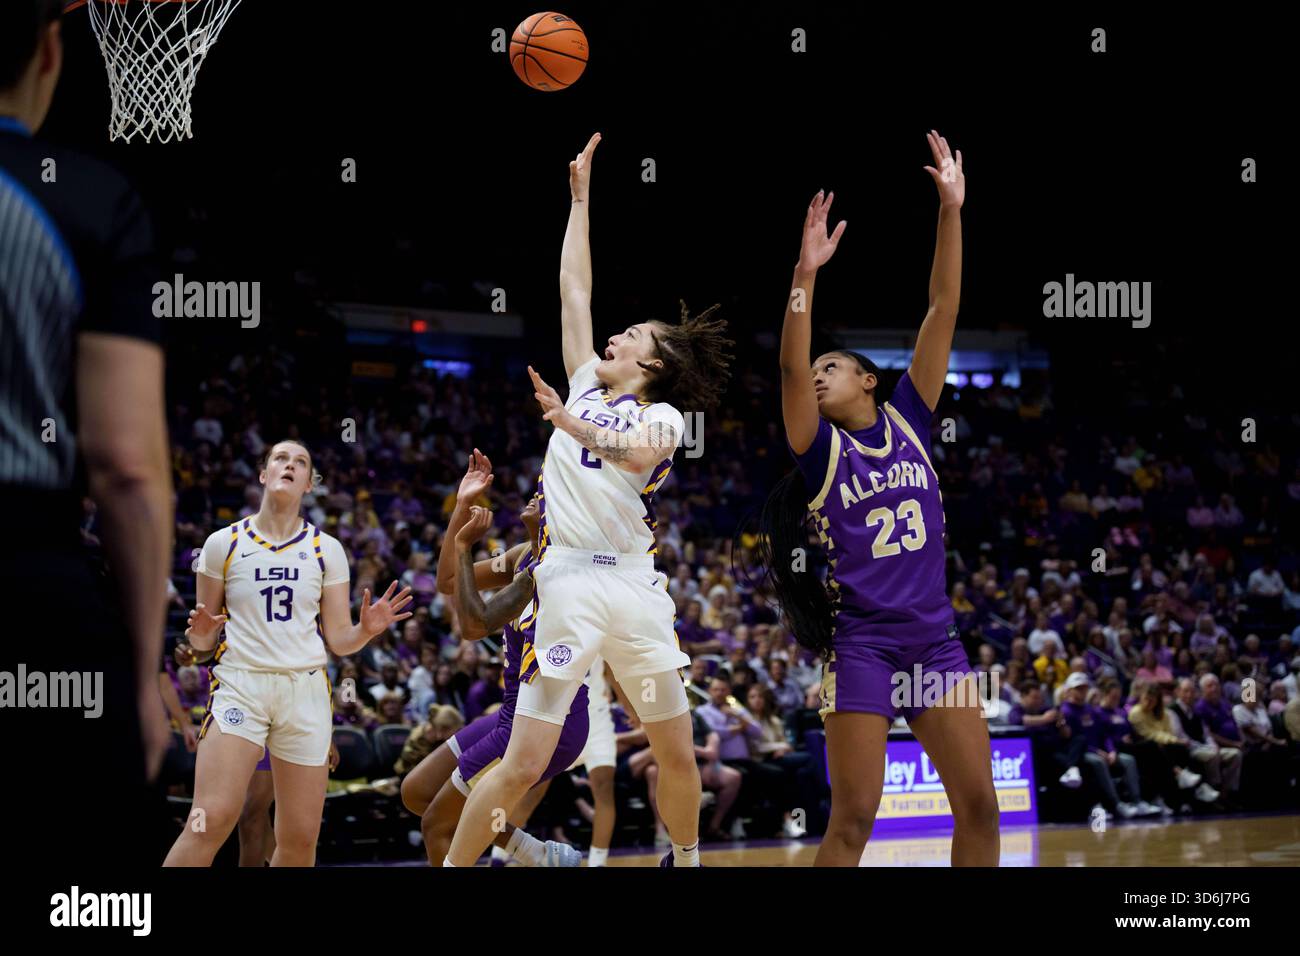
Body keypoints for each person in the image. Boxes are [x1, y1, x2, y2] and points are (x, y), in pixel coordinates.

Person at [447, 133, 735, 869]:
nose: (613, 335)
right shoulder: (582, 382)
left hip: (634, 584)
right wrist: (579, 200)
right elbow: (574, 288)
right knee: (519, 761)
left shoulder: (664, 417)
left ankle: (687, 858)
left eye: (631, 334)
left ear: (656, 362)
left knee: (675, 750)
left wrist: (569, 423)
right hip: (568, 577)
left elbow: (636, 455)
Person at [755, 132, 997, 867]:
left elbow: (944, 305)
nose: (820, 375)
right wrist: (804, 273)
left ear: (869, 379)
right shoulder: (822, 449)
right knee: (855, 818)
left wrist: (951, 211)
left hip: (935, 643)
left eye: (836, 366)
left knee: (981, 807)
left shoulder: (912, 419)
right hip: (864, 646)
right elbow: (790, 369)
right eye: (818, 369)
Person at [1, 0, 175, 863]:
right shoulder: (89, 199)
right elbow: (126, 467)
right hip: (27, 577)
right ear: (49, 49)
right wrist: (144, 679)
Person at [163, 440, 413, 866]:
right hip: (240, 684)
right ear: (264, 474)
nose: (290, 465)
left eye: (301, 462)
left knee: (298, 842)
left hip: (305, 691)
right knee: (211, 818)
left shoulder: (326, 549)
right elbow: (202, 650)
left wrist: (366, 631)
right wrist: (202, 636)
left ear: (309, 485)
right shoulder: (222, 544)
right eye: (281, 458)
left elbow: (339, 640)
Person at [399, 454, 585, 867]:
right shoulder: (522, 555)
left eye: (549, 490)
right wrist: (462, 505)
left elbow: (472, 624)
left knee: (437, 826)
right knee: (416, 791)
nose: (538, 492)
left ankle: (529, 852)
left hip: (550, 721)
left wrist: (466, 544)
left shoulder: (553, 568)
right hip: (513, 711)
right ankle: (533, 852)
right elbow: (449, 579)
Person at [1169, 677, 1242, 805]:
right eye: (1186, 691)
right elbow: (1180, 735)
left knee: (1235, 754)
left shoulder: (1195, 711)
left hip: (1203, 748)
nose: (1189, 694)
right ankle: (1215, 790)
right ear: (1178, 692)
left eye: (1192, 691)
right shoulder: (1173, 710)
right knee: (1212, 755)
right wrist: (1207, 748)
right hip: (1188, 749)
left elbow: (1206, 734)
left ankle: (1228, 791)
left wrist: (1213, 745)